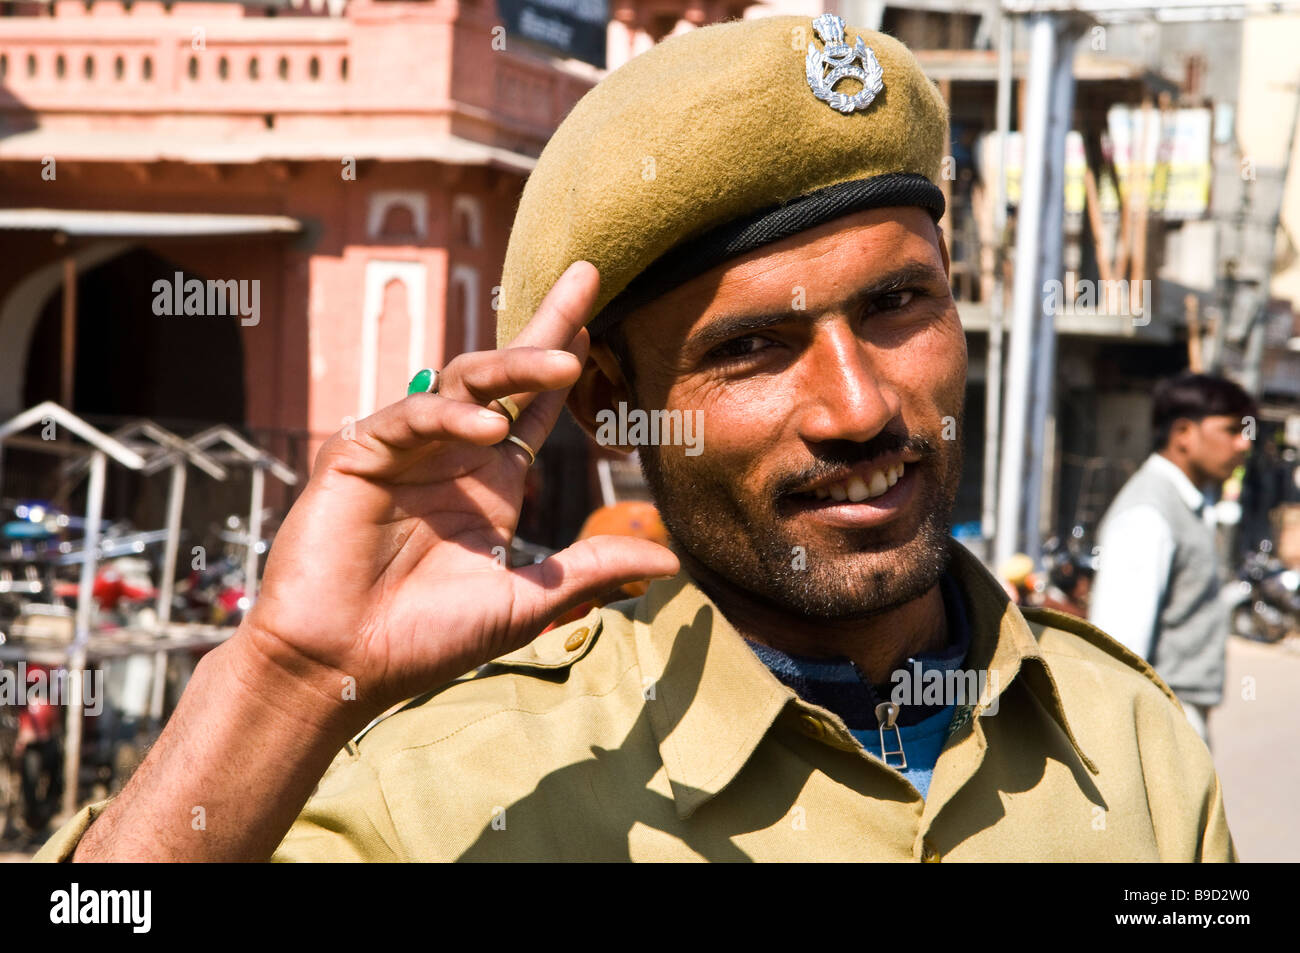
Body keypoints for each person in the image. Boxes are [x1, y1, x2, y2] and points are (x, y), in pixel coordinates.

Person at [38, 15, 1234, 862]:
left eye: (896, 306)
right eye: (755, 348)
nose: (859, 405)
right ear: (612, 406)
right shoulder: (458, 789)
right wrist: (282, 684)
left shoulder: (1128, 743)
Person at [1089, 373, 1255, 747]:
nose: (1244, 443)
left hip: (1177, 719)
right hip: (1158, 726)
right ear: (1183, 433)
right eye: (1231, 429)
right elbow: (1118, 654)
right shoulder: (1148, 514)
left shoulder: (1191, 504)